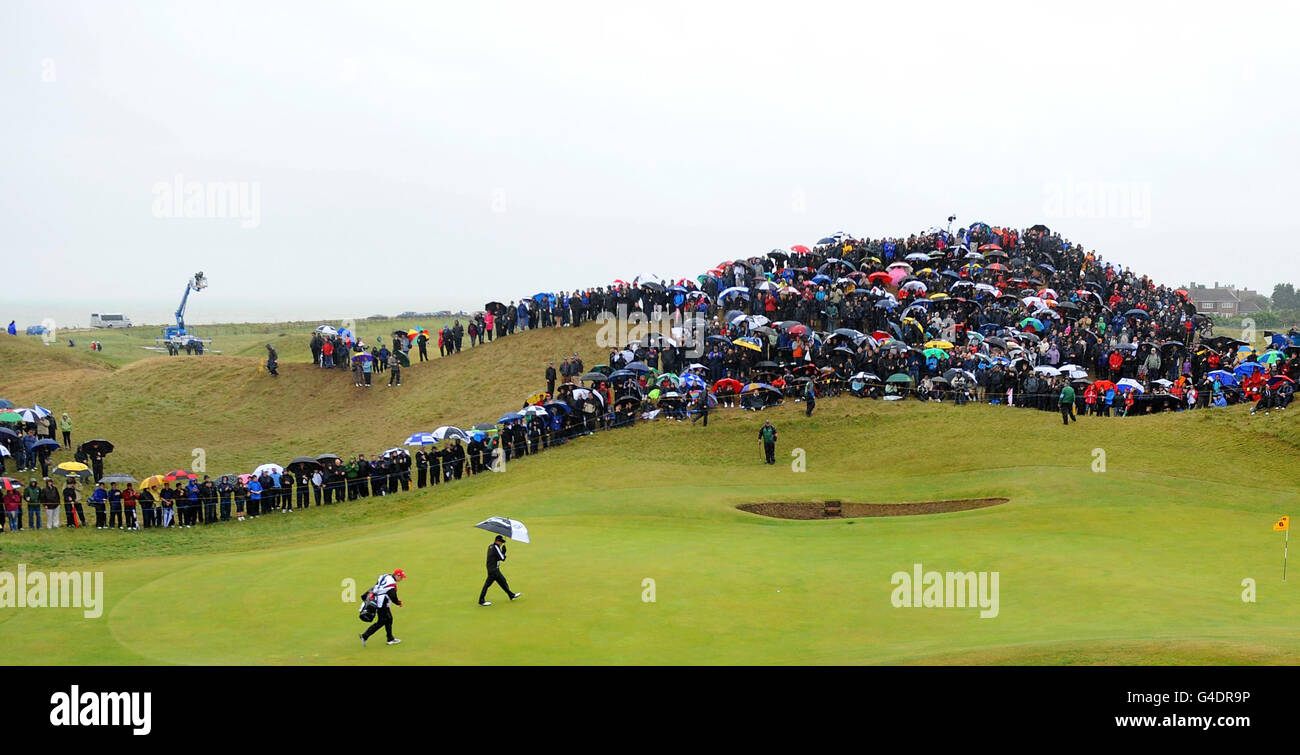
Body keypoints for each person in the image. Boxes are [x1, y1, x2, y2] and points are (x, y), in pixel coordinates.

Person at [359, 568, 406, 646]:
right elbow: (393, 596)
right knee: (382, 621)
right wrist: (398, 603)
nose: (401, 579)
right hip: (382, 604)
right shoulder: (392, 585)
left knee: (389, 619)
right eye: (401, 577)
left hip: (377, 599)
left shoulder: (386, 576)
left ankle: (390, 638)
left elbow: (378, 583)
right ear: (397, 575)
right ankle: (364, 636)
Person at [478, 535, 521, 606]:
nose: (501, 543)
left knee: (502, 582)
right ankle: (481, 601)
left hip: (491, 569)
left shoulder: (490, 546)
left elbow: (496, 558)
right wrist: (504, 552)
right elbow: (502, 558)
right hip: (494, 570)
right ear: (497, 541)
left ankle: (511, 595)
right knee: (488, 585)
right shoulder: (496, 547)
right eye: (501, 542)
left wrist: (502, 552)